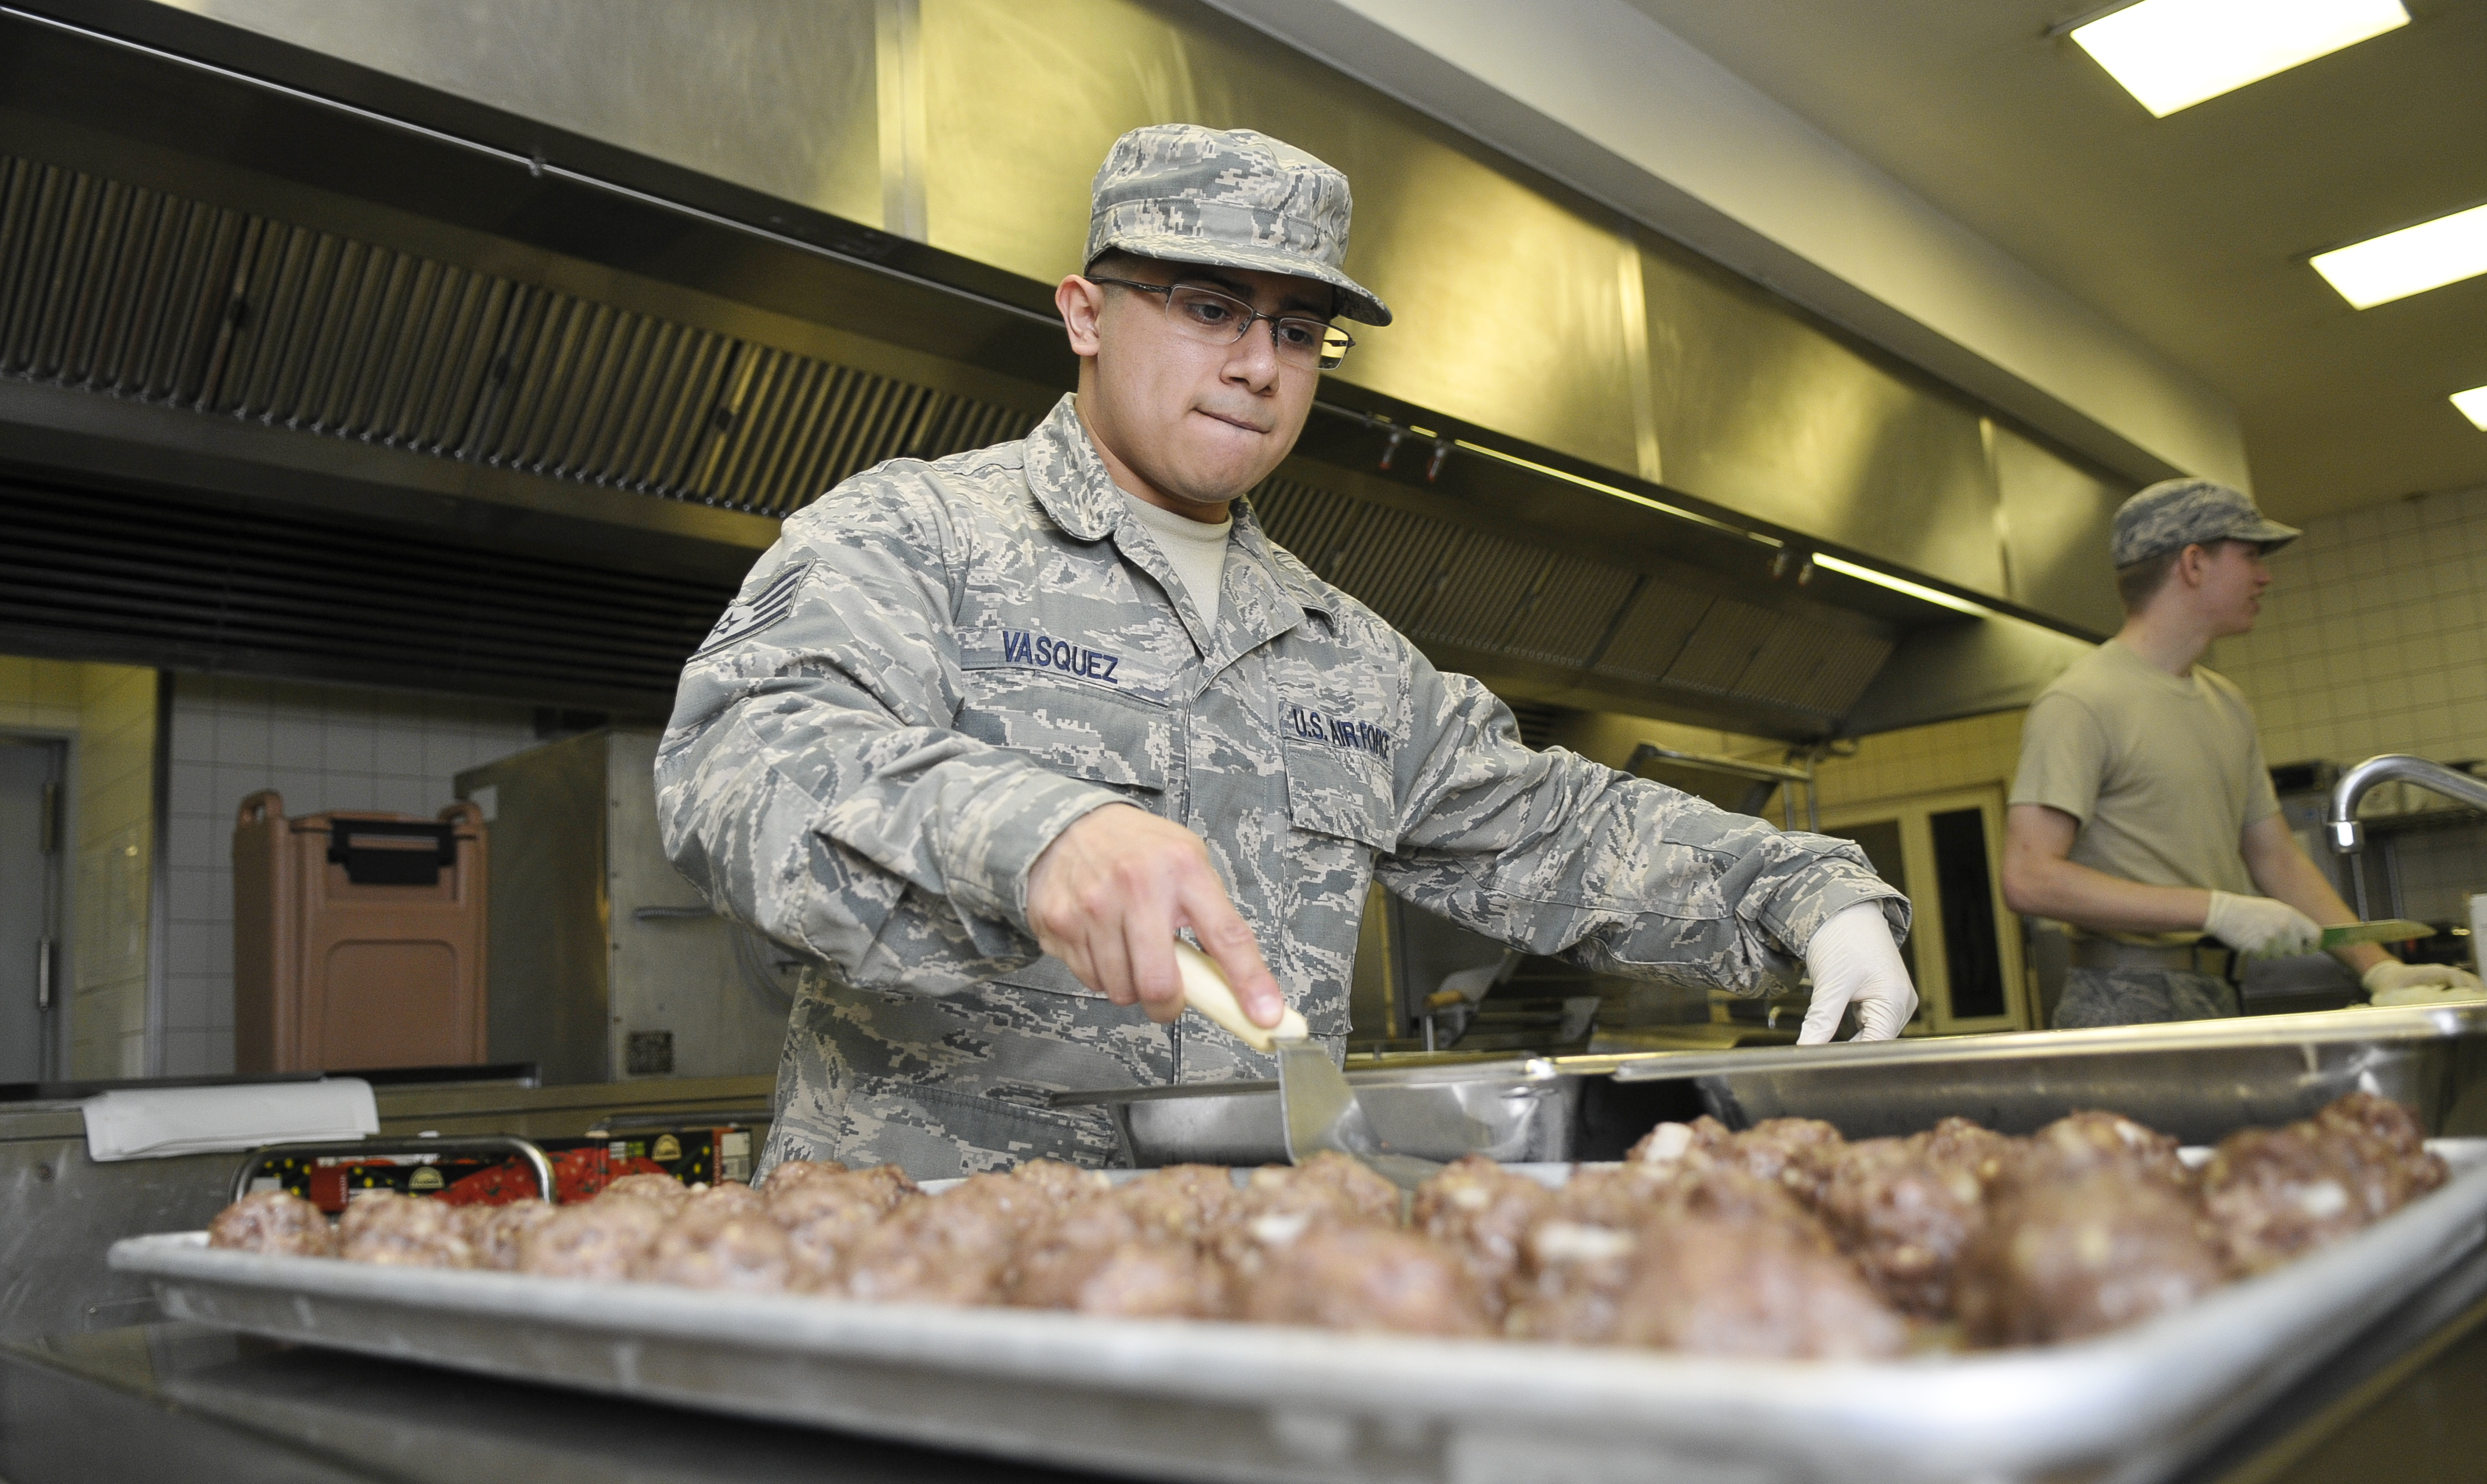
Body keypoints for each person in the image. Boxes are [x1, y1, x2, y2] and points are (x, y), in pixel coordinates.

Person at [657, 124, 1917, 1177]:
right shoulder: (910, 536)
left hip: (1240, 1288)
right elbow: (741, 765)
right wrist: (1030, 834)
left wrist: (1806, 892)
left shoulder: (1342, 654)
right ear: (1085, 314)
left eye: (1299, 328)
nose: (1258, 365)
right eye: (1208, 307)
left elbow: (1558, 825)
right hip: (924, 1293)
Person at [2001, 477, 2481, 1027]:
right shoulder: (2081, 701)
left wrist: (2378, 970)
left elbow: (2276, 858)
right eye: (2250, 555)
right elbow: (2029, 875)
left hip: (2220, 992)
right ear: (2194, 564)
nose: (2265, 576)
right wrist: (2216, 909)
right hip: (2123, 997)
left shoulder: (2225, 702)